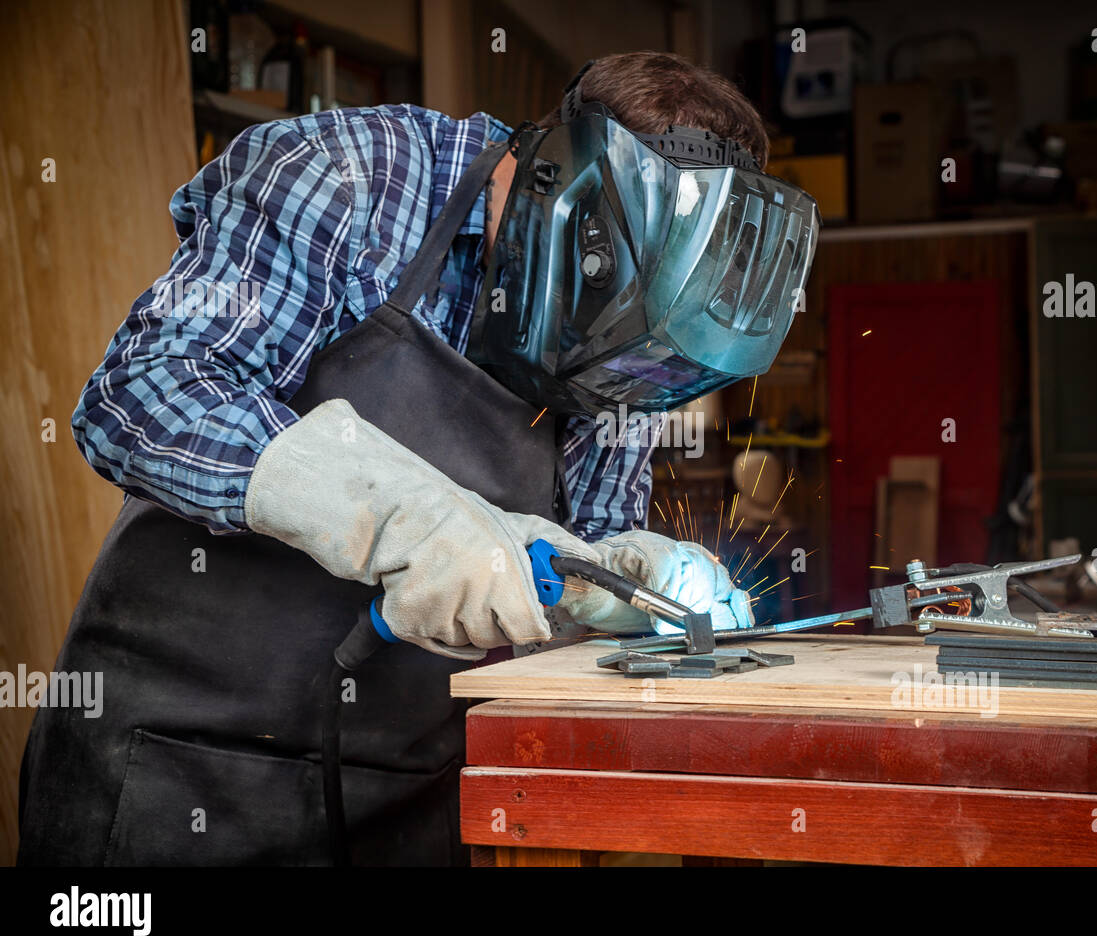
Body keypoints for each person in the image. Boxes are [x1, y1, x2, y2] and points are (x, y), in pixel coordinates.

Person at [18, 51, 818, 865]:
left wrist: (619, 582)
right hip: (172, 773)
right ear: (557, 187)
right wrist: (404, 521)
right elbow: (143, 393)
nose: (616, 377)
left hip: (406, 796)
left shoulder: (633, 337)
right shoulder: (347, 178)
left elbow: (580, 549)